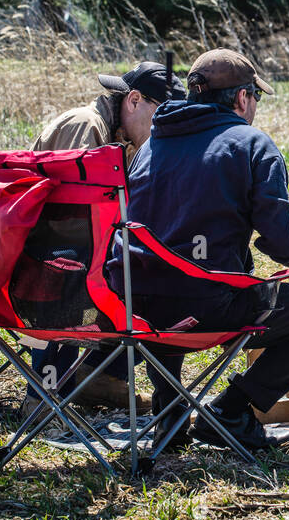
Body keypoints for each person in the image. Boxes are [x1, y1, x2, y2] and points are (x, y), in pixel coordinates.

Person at [106, 48, 289, 451]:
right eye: (255, 97)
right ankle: (232, 409)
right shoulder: (250, 143)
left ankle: (169, 415)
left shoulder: (151, 144)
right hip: (209, 308)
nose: (255, 105)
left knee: (164, 272)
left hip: (133, 307)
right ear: (242, 98)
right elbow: (284, 242)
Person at [26, 62, 186, 410]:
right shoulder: (86, 126)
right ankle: (42, 395)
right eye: (162, 114)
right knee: (129, 275)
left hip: (79, 251)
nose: (164, 127)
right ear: (133, 100)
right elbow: (68, 218)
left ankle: (101, 376)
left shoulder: (125, 137)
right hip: (45, 260)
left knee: (165, 280)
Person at [33, 61, 186, 165]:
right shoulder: (84, 125)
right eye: (165, 113)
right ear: (134, 101)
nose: (169, 125)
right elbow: (73, 208)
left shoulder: (128, 143)